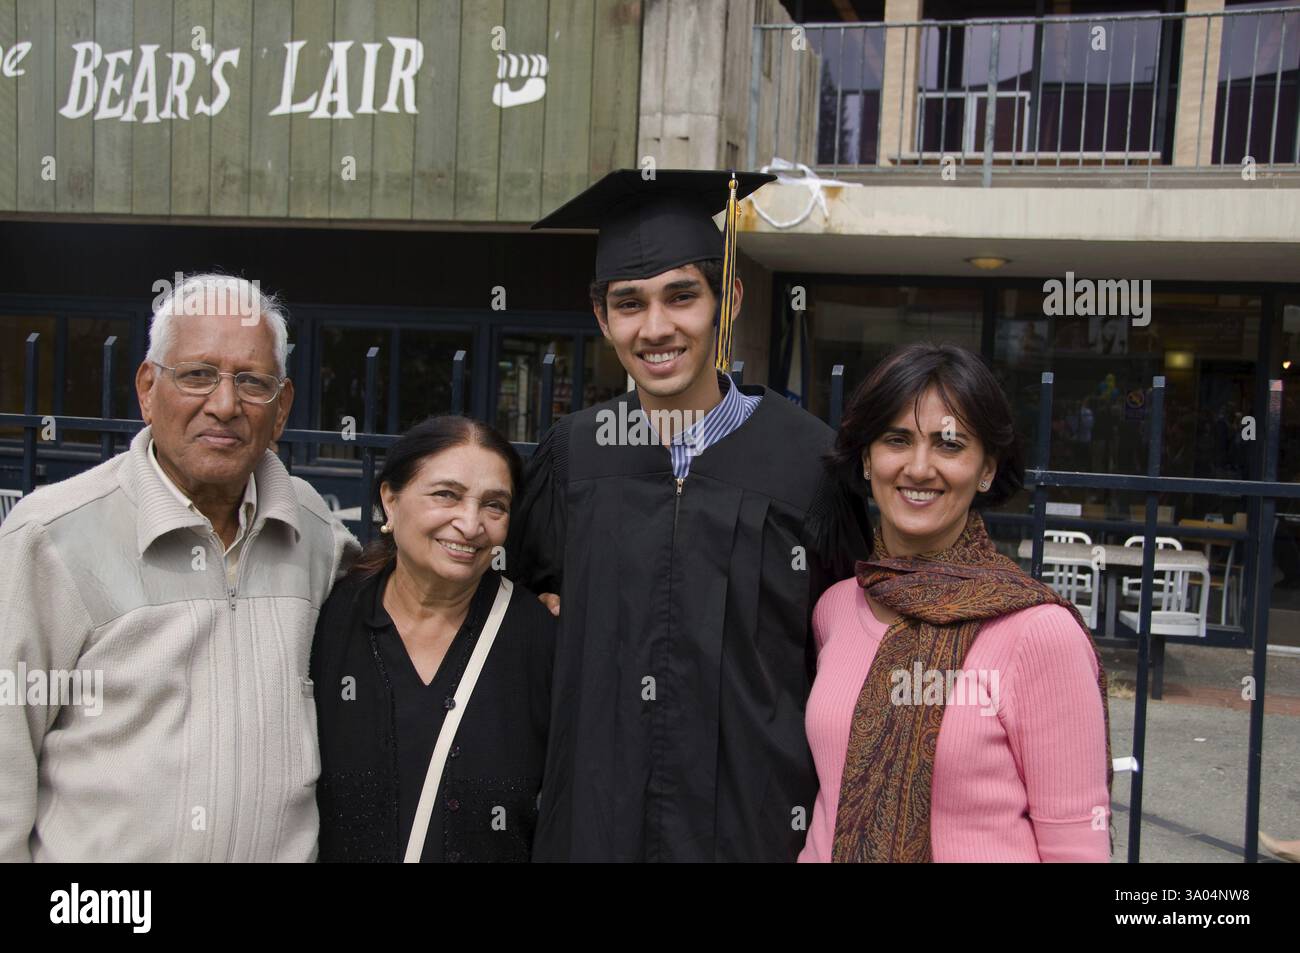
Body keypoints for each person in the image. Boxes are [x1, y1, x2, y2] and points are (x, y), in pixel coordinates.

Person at [512, 169, 869, 862]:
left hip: (755, 831)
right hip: (593, 830)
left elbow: (851, 644)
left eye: (682, 296)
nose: (656, 328)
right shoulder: (575, 455)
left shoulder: (809, 462)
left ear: (727, 299)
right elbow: (523, 607)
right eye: (629, 303)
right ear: (600, 316)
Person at [0, 273, 358, 862]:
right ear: (147, 388)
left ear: (282, 407)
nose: (224, 405)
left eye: (252, 381)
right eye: (197, 375)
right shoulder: (53, 537)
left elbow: (407, 617)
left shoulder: (315, 533)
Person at [801, 343, 1111, 862]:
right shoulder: (835, 608)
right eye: (896, 440)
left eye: (949, 445)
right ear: (867, 459)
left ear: (986, 469)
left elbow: (1076, 848)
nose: (919, 468)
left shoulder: (1037, 633)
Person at [313, 417, 556, 863]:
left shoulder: (539, 640)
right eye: (446, 494)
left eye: (494, 505)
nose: (470, 523)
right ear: (391, 499)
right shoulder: (327, 621)